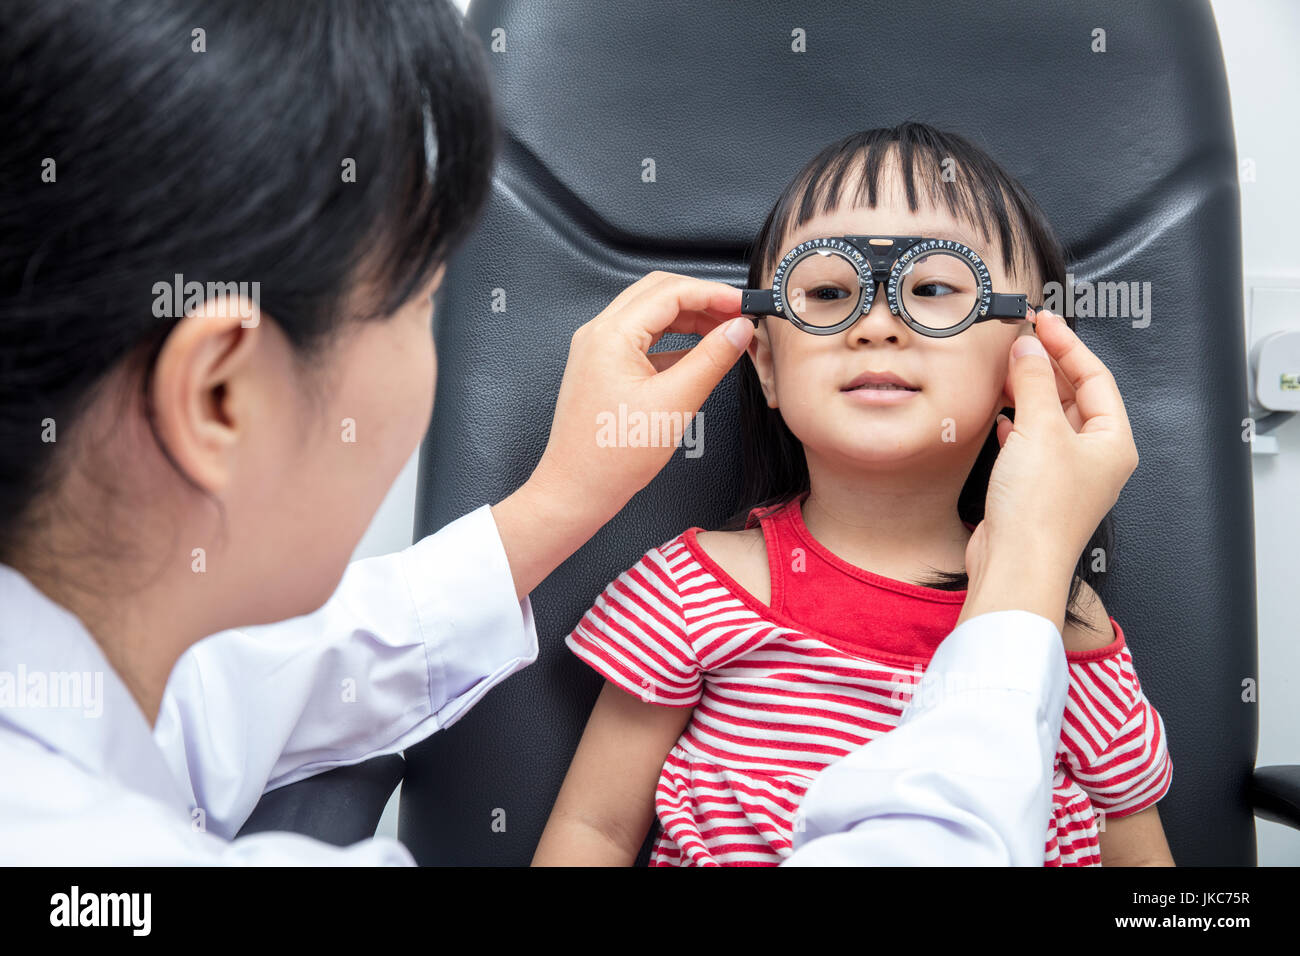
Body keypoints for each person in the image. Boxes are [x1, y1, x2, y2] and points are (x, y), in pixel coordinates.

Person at [0, 1, 1137, 865]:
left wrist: (555, 503)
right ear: (220, 397)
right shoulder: (709, 594)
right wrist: (1020, 596)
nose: (881, 324)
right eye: (420, 299)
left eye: (934, 292)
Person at [535, 124, 1171, 867]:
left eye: (934, 288)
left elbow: (1139, 858)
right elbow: (595, 831)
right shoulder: (692, 592)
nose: (876, 323)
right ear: (766, 366)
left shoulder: (1063, 618)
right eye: (830, 291)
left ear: (1027, 357)